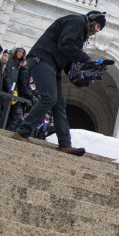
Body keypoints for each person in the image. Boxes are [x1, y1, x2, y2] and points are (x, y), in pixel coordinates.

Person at [12, 10, 106, 156]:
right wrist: (86, 59)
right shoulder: (77, 21)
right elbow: (65, 44)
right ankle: (22, 131)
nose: (97, 31)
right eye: (98, 26)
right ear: (92, 19)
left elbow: (68, 57)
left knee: (60, 104)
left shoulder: (80, 33)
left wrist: (74, 76)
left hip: (52, 65)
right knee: (49, 98)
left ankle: (65, 144)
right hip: (42, 58)